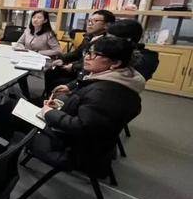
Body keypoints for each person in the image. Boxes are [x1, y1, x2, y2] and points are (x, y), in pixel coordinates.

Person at [39, 36, 145, 174]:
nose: (87, 57)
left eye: (95, 54)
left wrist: (49, 113)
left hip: (71, 151)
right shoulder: (120, 80)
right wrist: (59, 107)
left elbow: (82, 126)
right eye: (88, 52)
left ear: (116, 63)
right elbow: (90, 112)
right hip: (91, 147)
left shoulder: (105, 92)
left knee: (14, 114)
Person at [44, 10, 115, 93]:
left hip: (86, 74)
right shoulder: (88, 37)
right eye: (89, 20)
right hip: (78, 69)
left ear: (107, 25)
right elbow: (77, 53)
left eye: (95, 21)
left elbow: (95, 63)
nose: (90, 23)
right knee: (50, 72)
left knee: (57, 82)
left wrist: (73, 66)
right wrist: (62, 59)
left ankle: (53, 98)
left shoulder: (107, 43)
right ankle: (46, 96)